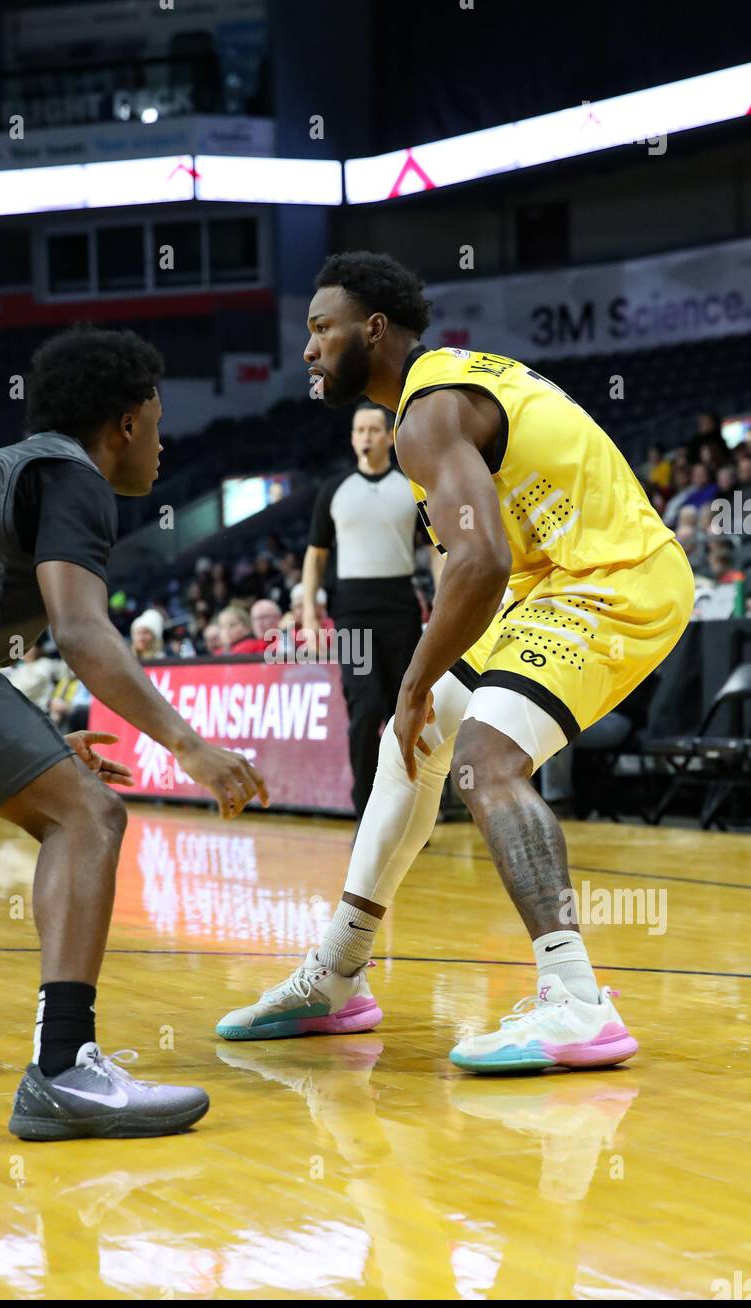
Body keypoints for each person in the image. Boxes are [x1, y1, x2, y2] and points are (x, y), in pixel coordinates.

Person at [217, 250, 694, 1073]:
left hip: (610, 578)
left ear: (373, 330)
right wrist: (423, 693)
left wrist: (409, 678)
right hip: (552, 582)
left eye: (321, 329)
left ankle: (576, 999)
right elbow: (473, 564)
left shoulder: (427, 413)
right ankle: (337, 972)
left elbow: (481, 563)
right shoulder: (442, 393)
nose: (308, 350)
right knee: (411, 745)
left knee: (484, 760)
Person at [0, 325, 267, 1138]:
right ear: (124, 424)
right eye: (157, 426)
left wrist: (37, 740)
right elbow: (83, 631)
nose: (162, 447)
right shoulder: (73, 475)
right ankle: (62, 1067)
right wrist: (188, 744)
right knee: (88, 815)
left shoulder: (3, 471)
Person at [300, 403, 423, 820]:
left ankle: (405, 812)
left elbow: (436, 551)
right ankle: (364, 811)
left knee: (403, 712)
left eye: (374, 429)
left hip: (401, 610)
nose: (367, 436)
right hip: (351, 612)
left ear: (388, 436)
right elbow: (315, 557)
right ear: (352, 438)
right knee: (365, 708)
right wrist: (310, 617)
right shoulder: (334, 490)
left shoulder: (412, 487)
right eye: (360, 430)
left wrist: (443, 599)